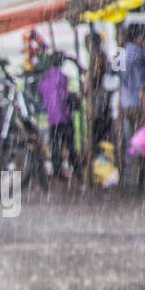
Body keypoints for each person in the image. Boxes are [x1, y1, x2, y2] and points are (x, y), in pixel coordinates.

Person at [117, 22, 145, 190]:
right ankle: (141, 183)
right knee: (142, 146)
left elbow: (116, 81)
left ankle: (129, 181)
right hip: (138, 107)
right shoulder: (139, 56)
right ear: (140, 38)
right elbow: (142, 87)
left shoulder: (120, 53)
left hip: (125, 106)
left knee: (131, 146)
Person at [37, 51, 76, 181]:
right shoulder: (62, 76)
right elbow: (63, 96)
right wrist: (73, 98)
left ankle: (57, 171)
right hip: (64, 116)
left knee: (55, 145)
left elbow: (43, 97)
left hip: (52, 117)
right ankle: (76, 168)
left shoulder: (44, 78)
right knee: (70, 145)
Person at [83, 31, 113, 155]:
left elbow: (97, 77)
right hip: (98, 99)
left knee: (98, 128)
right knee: (97, 127)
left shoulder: (99, 56)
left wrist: (89, 83)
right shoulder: (96, 57)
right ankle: (95, 153)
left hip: (99, 99)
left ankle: (95, 153)